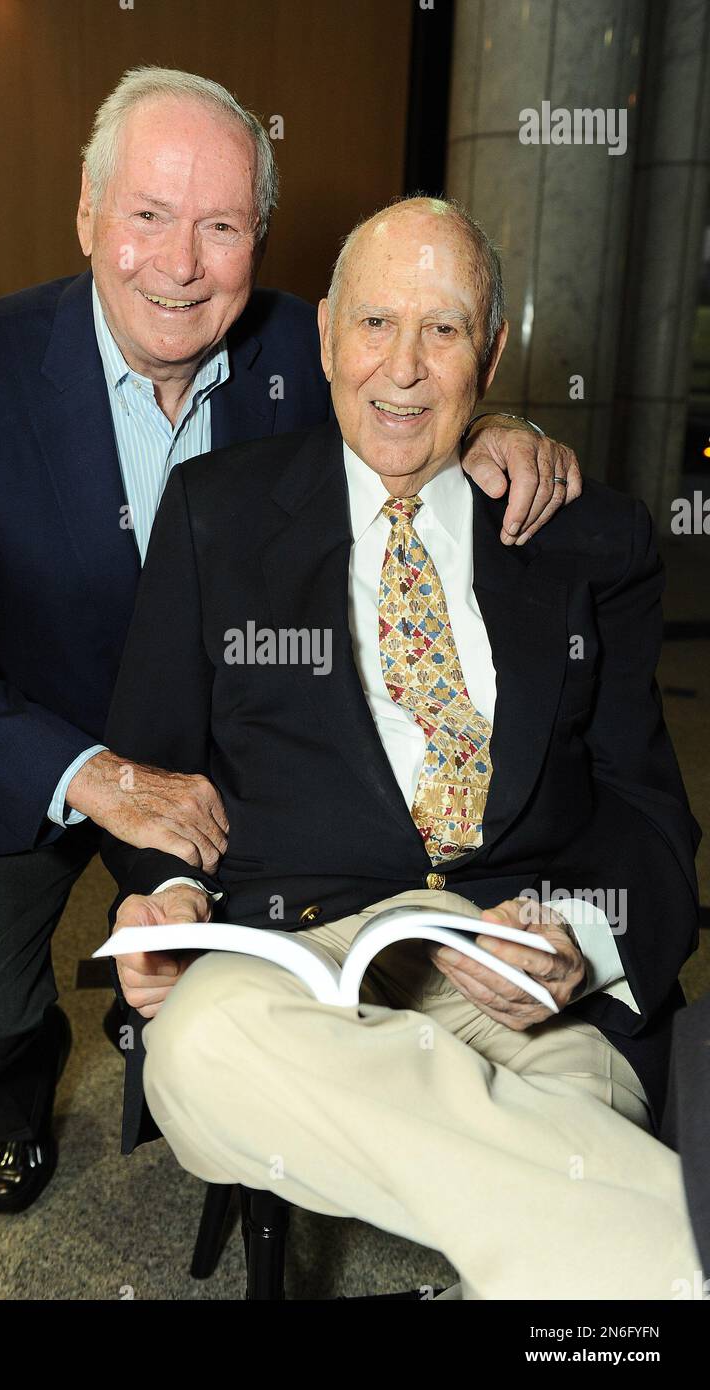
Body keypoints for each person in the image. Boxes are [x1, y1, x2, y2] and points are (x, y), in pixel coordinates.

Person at [0, 66, 578, 1216]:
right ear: (87, 214)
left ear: (261, 239)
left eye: (222, 226)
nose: (181, 263)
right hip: (39, 752)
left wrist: (499, 424)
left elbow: (416, 383)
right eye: (146, 215)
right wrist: (96, 775)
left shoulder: (317, 346)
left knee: (235, 997)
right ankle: (21, 1090)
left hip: (242, 754)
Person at [101, 195, 703, 1299]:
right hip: (291, 964)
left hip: (518, 973)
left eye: (445, 330)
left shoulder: (586, 539)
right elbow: (149, 779)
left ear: (496, 350)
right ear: (327, 331)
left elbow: (649, 813)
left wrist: (581, 941)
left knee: (581, 1189)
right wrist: (168, 893)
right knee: (200, 1047)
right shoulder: (214, 515)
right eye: (376, 324)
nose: (406, 370)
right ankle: (676, 1240)